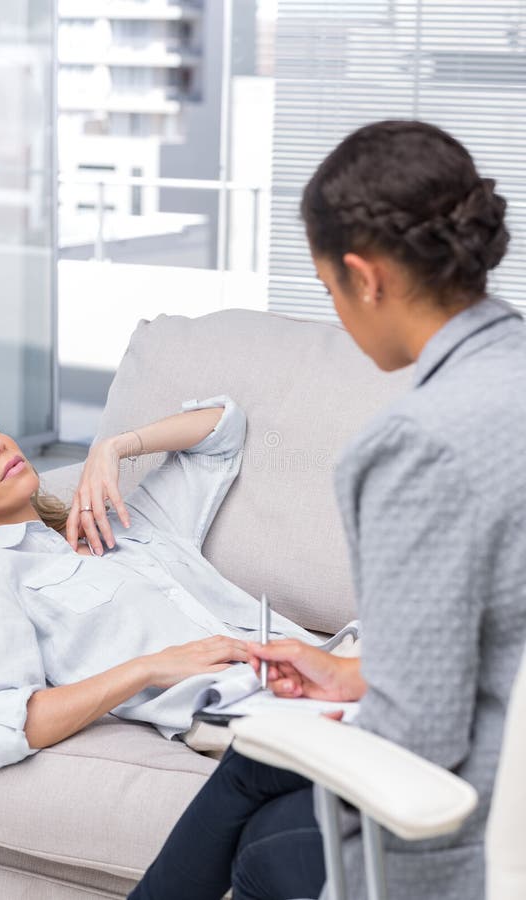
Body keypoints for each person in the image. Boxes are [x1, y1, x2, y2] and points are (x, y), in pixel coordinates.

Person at [128, 120, 526, 900]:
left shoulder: (414, 444)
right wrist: (349, 673)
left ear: (364, 276)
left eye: (328, 288)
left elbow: (421, 738)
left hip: (468, 834)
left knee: (264, 843)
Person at [0, 394, 320, 771]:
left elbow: (224, 428)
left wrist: (114, 448)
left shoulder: (125, 521)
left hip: (326, 661)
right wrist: (147, 669)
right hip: (252, 707)